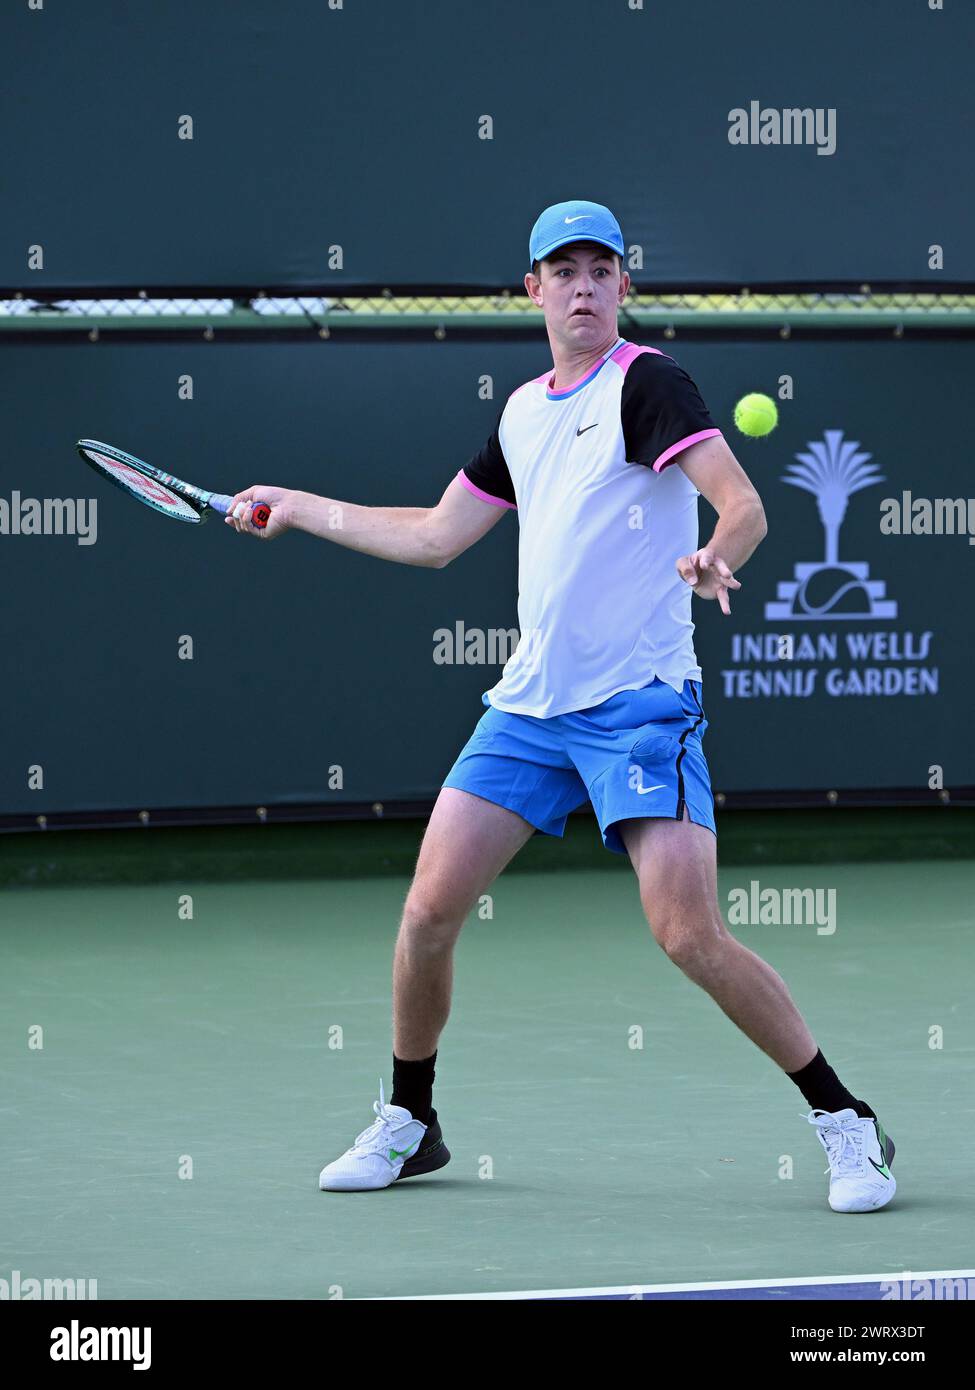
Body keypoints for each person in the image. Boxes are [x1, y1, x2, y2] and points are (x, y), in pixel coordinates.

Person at [225, 200, 896, 1214]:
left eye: (602, 268)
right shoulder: (522, 413)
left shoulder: (649, 384)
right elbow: (435, 537)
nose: (583, 285)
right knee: (429, 910)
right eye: (562, 269)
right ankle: (412, 1119)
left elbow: (743, 502)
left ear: (625, 286)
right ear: (531, 289)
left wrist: (720, 553)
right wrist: (299, 506)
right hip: (531, 709)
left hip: (640, 705)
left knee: (688, 933)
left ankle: (846, 1120)